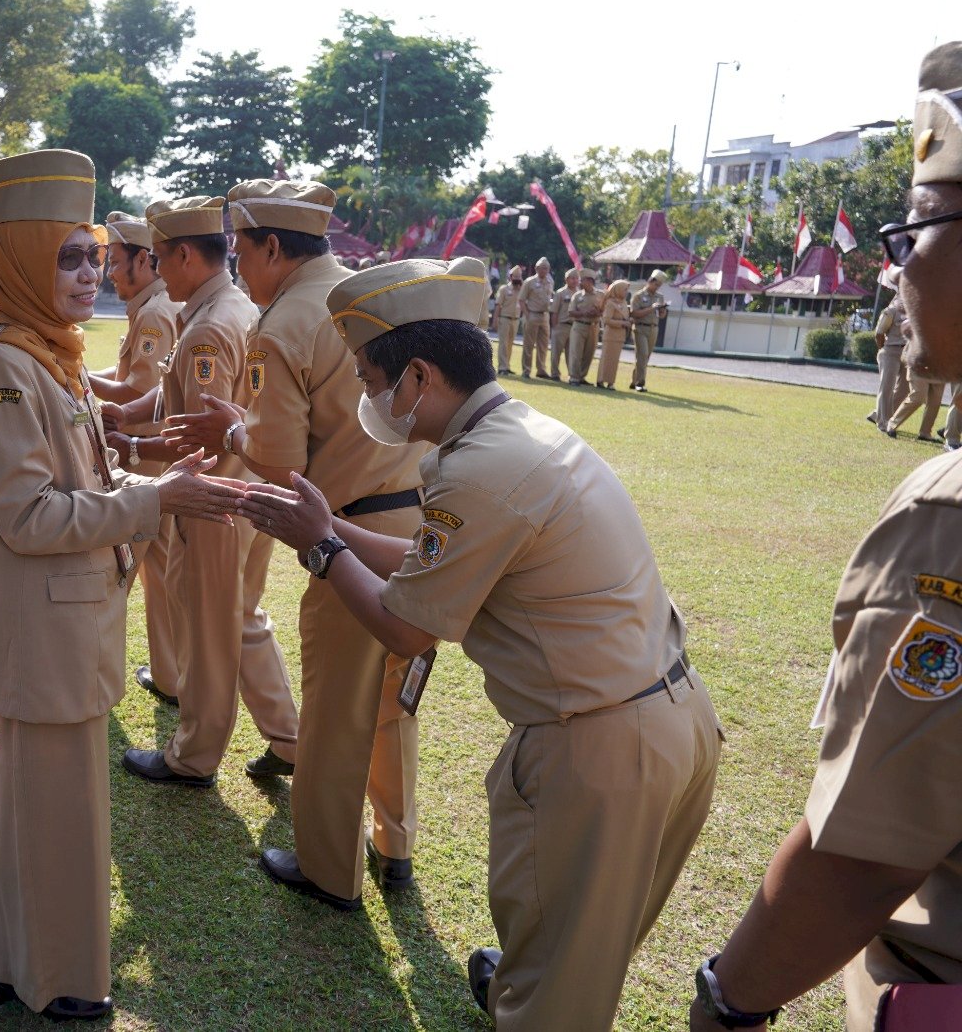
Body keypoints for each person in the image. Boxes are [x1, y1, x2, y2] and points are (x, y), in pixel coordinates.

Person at [240, 255, 722, 1029]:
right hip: (667, 721)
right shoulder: (520, 432)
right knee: (577, 956)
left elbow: (404, 625)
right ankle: (531, 978)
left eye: (370, 379)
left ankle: (532, 993)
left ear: (419, 377)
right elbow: (431, 562)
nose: (367, 397)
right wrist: (330, 529)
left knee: (556, 1005)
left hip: (598, 750)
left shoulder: (479, 470)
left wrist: (322, 550)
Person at [0, 149, 243, 1021]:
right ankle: (53, 977)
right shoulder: (3, 361)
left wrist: (149, 468)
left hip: (65, 619)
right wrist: (155, 499)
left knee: (42, 808)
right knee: (53, 814)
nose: (88, 273)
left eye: (93, 254)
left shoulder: (44, 348)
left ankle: (20, 960)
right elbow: (27, 516)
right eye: (66, 257)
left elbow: (79, 469)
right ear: (21, 261)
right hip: (44, 623)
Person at [688, 41, 962, 1032]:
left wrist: (727, 1001)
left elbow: (862, 853)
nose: (898, 267)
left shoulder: (948, 520)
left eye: (915, 230)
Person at [162, 178, 422, 909]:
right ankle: (394, 844)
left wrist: (231, 429)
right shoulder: (367, 295)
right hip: (417, 524)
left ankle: (328, 868)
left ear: (272, 247)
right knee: (394, 702)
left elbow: (279, 461)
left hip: (350, 529)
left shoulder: (287, 322)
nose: (237, 265)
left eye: (242, 251)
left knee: (337, 710)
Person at [104, 193, 300, 787]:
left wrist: (130, 449)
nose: (157, 270)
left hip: (215, 500)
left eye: (161, 258)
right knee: (241, 619)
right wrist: (127, 413)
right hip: (252, 494)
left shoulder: (207, 328)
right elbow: (177, 393)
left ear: (186, 255)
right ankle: (289, 738)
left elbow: (201, 438)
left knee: (208, 633)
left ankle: (193, 755)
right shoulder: (233, 307)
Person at [86, 210, 183, 707]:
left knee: (118, 567)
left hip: (144, 455)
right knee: (156, 572)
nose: (108, 274)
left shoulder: (155, 313)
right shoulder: (149, 307)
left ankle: (88, 666)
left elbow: (136, 390)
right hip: (147, 453)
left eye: (116, 262)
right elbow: (128, 373)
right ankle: (170, 674)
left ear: (144, 261)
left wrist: (75, 375)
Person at [886, 318, 945, 441]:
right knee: (918, 396)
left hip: (939, 368)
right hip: (918, 365)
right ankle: (892, 423)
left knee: (935, 402)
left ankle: (925, 433)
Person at [871, 295, 911, 429]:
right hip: (891, 351)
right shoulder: (891, 311)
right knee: (887, 387)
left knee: (905, 389)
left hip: (907, 353)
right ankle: (883, 423)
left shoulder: (914, 312)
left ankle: (881, 415)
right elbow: (879, 333)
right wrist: (883, 349)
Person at [629, 270, 667, 392]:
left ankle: (634, 381)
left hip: (653, 328)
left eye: (659, 286)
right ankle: (640, 383)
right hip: (640, 327)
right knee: (643, 355)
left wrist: (662, 310)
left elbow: (661, 316)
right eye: (656, 284)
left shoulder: (659, 297)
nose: (657, 287)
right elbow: (634, 313)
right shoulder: (638, 296)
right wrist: (651, 308)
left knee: (645, 357)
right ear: (650, 281)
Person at [566, 269, 606, 385]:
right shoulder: (577, 296)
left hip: (593, 326)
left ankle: (581, 376)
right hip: (579, 326)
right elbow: (571, 312)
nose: (580, 283)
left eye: (582, 280)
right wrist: (584, 313)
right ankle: (574, 377)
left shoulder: (601, 295)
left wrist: (597, 312)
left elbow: (605, 309)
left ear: (589, 281)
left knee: (589, 353)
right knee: (576, 352)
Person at [518, 257, 553, 379]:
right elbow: (521, 299)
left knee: (543, 345)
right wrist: (527, 315)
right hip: (532, 314)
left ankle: (541, 370)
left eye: (546, 268)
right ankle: (526, 370)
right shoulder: (529, 282)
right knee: (529, 344)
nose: (544, 271)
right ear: (536, 269)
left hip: (545, 315)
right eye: (542, 268)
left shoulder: (550, 282)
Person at [595, 279, 632, 389]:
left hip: (620, 336)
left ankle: (611, 382)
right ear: (618, 290)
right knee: (606, 358)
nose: (626, 292)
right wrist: (622, 323)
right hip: (610, 335)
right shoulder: (610, 303)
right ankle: (601, 380)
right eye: (624, 290)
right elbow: (606, 320)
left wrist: (629, 321)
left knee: (614, 360)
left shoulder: (624, 303)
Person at [548, 266, 579, 381]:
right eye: (572, 278)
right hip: (561, 325)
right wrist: (555, 327)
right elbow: (554, 311)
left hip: (574, 327)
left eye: (576, 278)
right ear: (566, 279)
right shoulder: (560, 293)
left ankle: (572, 374)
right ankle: (555, 373)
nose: (574, 281)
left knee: (572, 353)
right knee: (556, 352)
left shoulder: (580, 294)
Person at [492, 265, 523, 375]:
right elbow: (498, 306)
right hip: (504, 319)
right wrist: (495, 320)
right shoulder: (504, 289)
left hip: (516, 319)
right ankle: (502, 367)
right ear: (510, 277)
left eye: (519, 277)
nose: (517, 279)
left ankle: (507, 366)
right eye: (515, 276)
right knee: (503, 343)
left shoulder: (521, 290)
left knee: (510, 344)